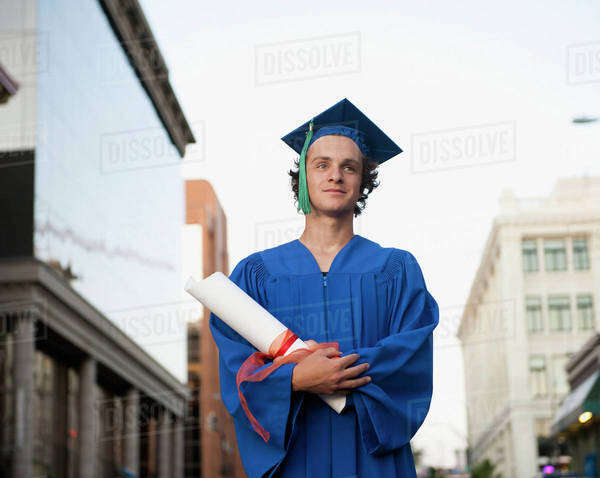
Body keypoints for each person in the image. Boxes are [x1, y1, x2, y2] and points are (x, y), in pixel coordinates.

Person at [209, 98, 439, 477]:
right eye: (322, 165)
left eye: (349, 167)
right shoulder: (256, 274)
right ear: (302, 177)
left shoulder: (397, 270)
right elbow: (236, 366)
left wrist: (333, 371)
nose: (336, 175)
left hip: (373, 460)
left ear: (362, 181)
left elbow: (411, 359)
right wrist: (296, 379)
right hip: (294, 458)